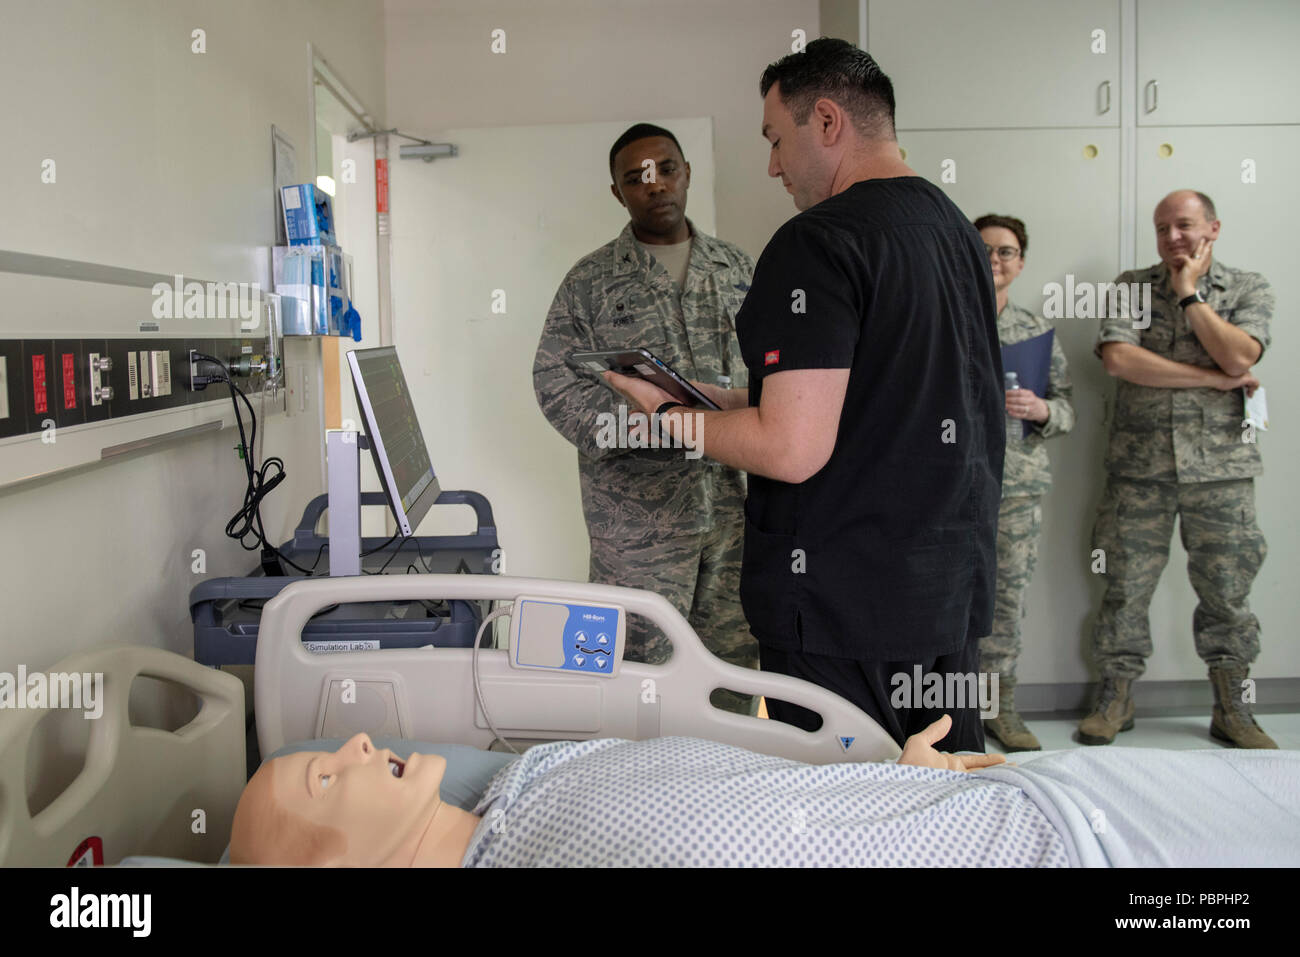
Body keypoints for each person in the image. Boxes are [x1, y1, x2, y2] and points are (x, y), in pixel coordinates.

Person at [604, 40, 1004, 752]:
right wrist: (720, 400)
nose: (772, 165)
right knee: (942, 803)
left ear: (825, 122)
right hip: (945, 599)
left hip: (844, 616)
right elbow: (880, 399)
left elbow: (789, 449)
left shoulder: (817, 243)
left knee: (843, 824)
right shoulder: (956, 234)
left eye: (775, 139)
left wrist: (670, 418)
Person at [230, 730, 1300, 867]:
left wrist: (890, 777)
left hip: (1045, 791)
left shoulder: (528, 779)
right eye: (326, 774)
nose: (360, 742)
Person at [532, 123, 759, 714]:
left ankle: (727, 790)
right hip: (636, 525)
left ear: (686, 173)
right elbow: (554, 381)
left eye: (666, 169)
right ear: (618, 192)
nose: (655, 185)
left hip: (733, 510)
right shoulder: (591, 280)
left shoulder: (739, 268)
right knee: (633, 674)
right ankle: (628, 796)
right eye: (636, 178)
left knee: (732, 666)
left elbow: (778, 379)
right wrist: (633, 425)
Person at [1084, 189, 1274, 748]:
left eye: (1184, 226)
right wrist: (1213, 379)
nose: (1172, 238)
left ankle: (1233, 708)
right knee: (1124, 588)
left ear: (1213, 228)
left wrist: (1190, 297)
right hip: (1139, 471)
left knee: (1228, 594)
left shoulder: (1248, 287)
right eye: (1162, 228)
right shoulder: (1132, 288)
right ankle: (1115, 699)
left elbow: (1241, 356)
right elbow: (1121, 359)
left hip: (1222, 471)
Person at [974, 214, 1075, 752]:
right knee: (947, 602)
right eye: (985, 249)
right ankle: (947, 707)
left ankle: (1001, 708)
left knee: (1006, 603)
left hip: (1015, 491)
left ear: (1022, 261)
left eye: (1006, 251)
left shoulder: (1036, 331)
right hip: (950, 491)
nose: (995, 260)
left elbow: (1068, 411)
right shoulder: (943, 320)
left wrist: (1041, 409)